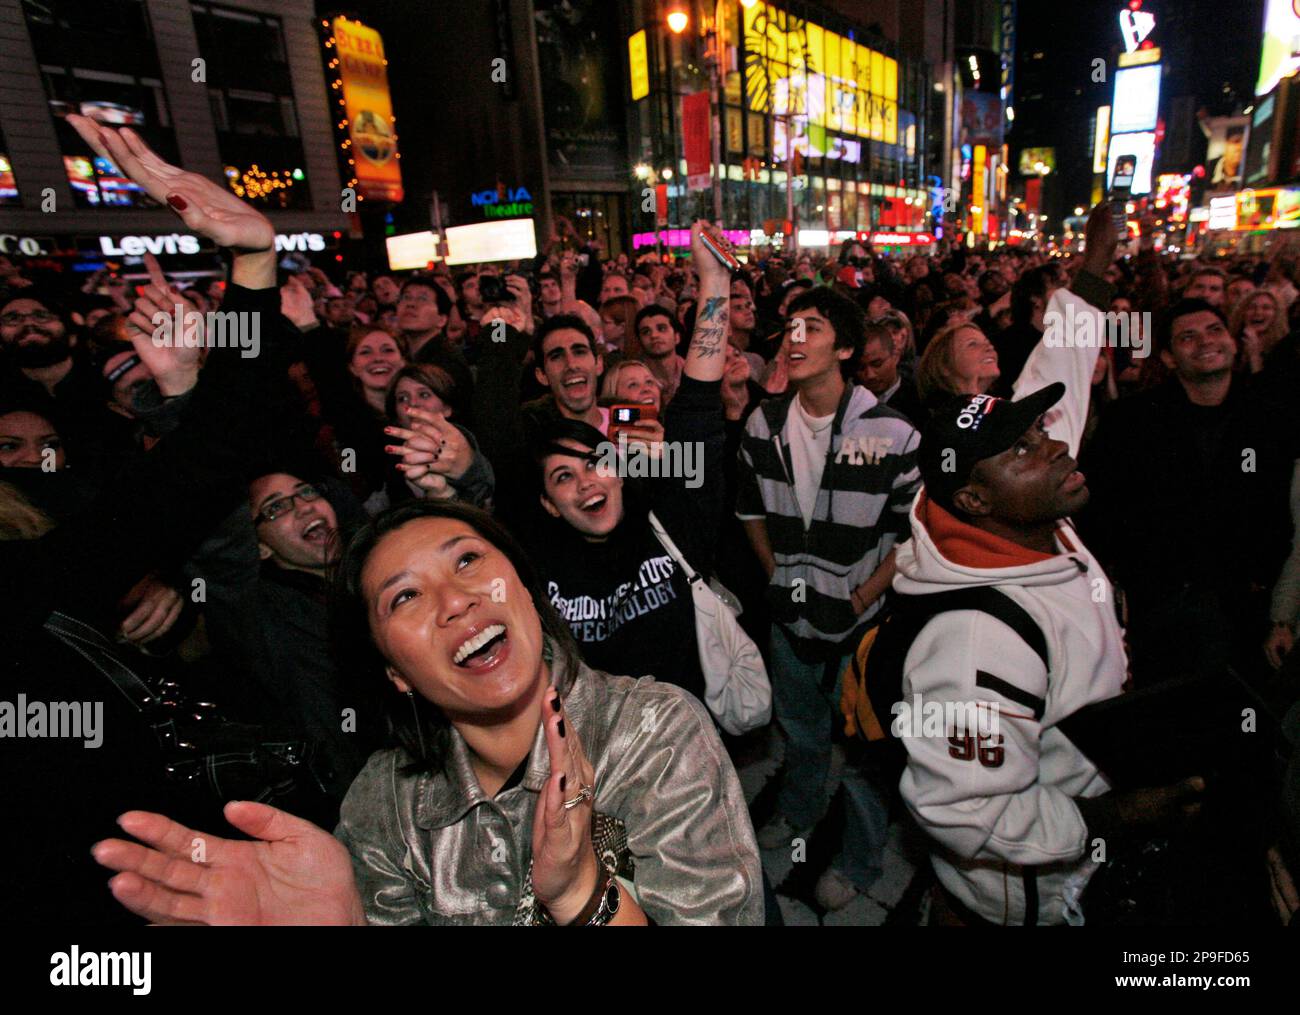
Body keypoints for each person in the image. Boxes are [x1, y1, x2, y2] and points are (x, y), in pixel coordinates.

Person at [90, 498, 765, 926]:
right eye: (404, 597)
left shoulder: (652, 731)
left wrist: (582, 892)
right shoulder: (382, 808)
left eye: (468, 560)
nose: (454, 601)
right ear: (394, 673)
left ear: (527, 592)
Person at [900, 381, 1203, 925]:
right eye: (1019, 449)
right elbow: (962, 811)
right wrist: (1117, 815)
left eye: (1037, 431)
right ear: (975, 500)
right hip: (1032, 900)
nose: (1054, 446)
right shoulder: (977, 642)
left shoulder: (1042, 528)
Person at [736, 286, 921, 909]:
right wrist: (776, 575)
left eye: (812, 327)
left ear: (844, 348)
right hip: (791, 616)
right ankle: (797, 813)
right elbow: (749, 510)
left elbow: (910, 532)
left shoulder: (893, 433)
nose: (795, 337)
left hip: (863, 622)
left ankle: (861, 862)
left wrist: (861, 595)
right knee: (802, 730)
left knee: (869, 752)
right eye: (790, 326)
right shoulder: (762, 423)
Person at [1080, 298, 1295, 685]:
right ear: (1168, 356)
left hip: (1243, 606)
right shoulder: (1132, 422)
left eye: (1215, 330)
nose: (1205, 342)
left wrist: (1263, 580)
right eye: (1188, 337)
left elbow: (1282, 510)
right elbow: (1100, 511)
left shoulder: (1270, 416)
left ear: (1233, 341)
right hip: (1159, 608)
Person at [631, 304, 685, 405]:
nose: (654, 335)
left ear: (677, 337)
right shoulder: (633, 376)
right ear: (639, 342)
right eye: (646, 332)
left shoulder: (690, 371)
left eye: (662, 328)